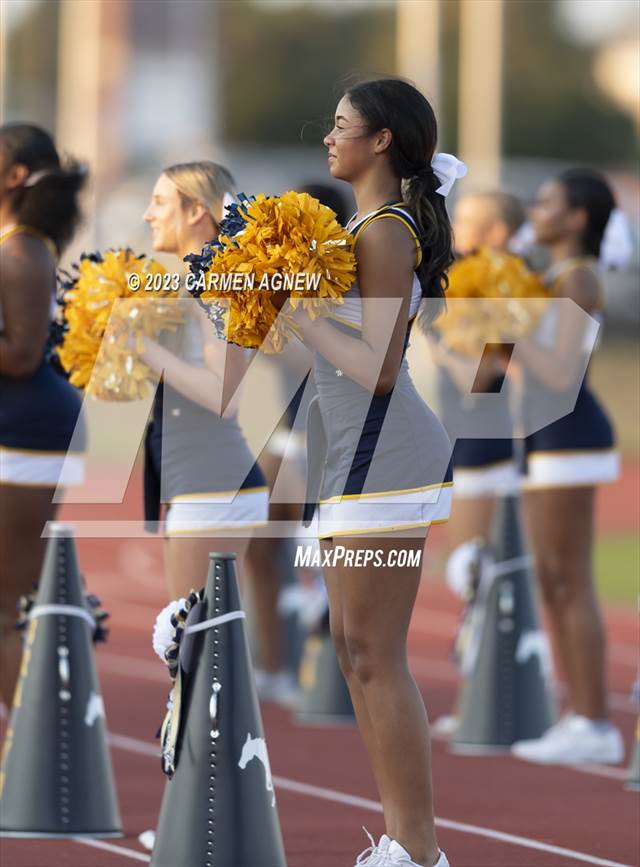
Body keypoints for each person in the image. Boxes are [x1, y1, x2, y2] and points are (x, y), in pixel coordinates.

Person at [285, 79, 460, 867]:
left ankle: (418, 848)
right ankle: (401, 838)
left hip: (384, 454)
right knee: (357, 650)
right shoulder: (360, 224)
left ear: (382, 140)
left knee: (375, 653)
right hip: (356, 454)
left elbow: (381, 369)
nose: (330, 136)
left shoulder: (385, 232)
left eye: (341, 124)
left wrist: (302, 313)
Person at [510, 169, 623, 764]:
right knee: (552, 578)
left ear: (577, 219)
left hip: (572, 434)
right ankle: (579, 714)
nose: (537, 206)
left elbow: (557, 373)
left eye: (548, 200)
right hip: (546, 434)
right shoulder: (546, 277)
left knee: (568, 577)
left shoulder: (577, 279)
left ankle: (595, 722)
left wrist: (503, 323)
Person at [141, 161, 268, 599]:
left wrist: (143, 348)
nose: (148, 214)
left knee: (197, 653)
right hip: (199, 483)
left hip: (213, 486)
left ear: (196, 210)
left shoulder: (216, 281)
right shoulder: (197, 279)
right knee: (197, 652)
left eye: (159, 202)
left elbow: (222, 396)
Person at [0, 123, 87, 705]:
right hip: (22, 427)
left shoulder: (22, 249)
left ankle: (33, 761)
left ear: (14, 176)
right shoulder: (18, 244)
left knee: (4, 607)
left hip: (26, 432)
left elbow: (21, 354)